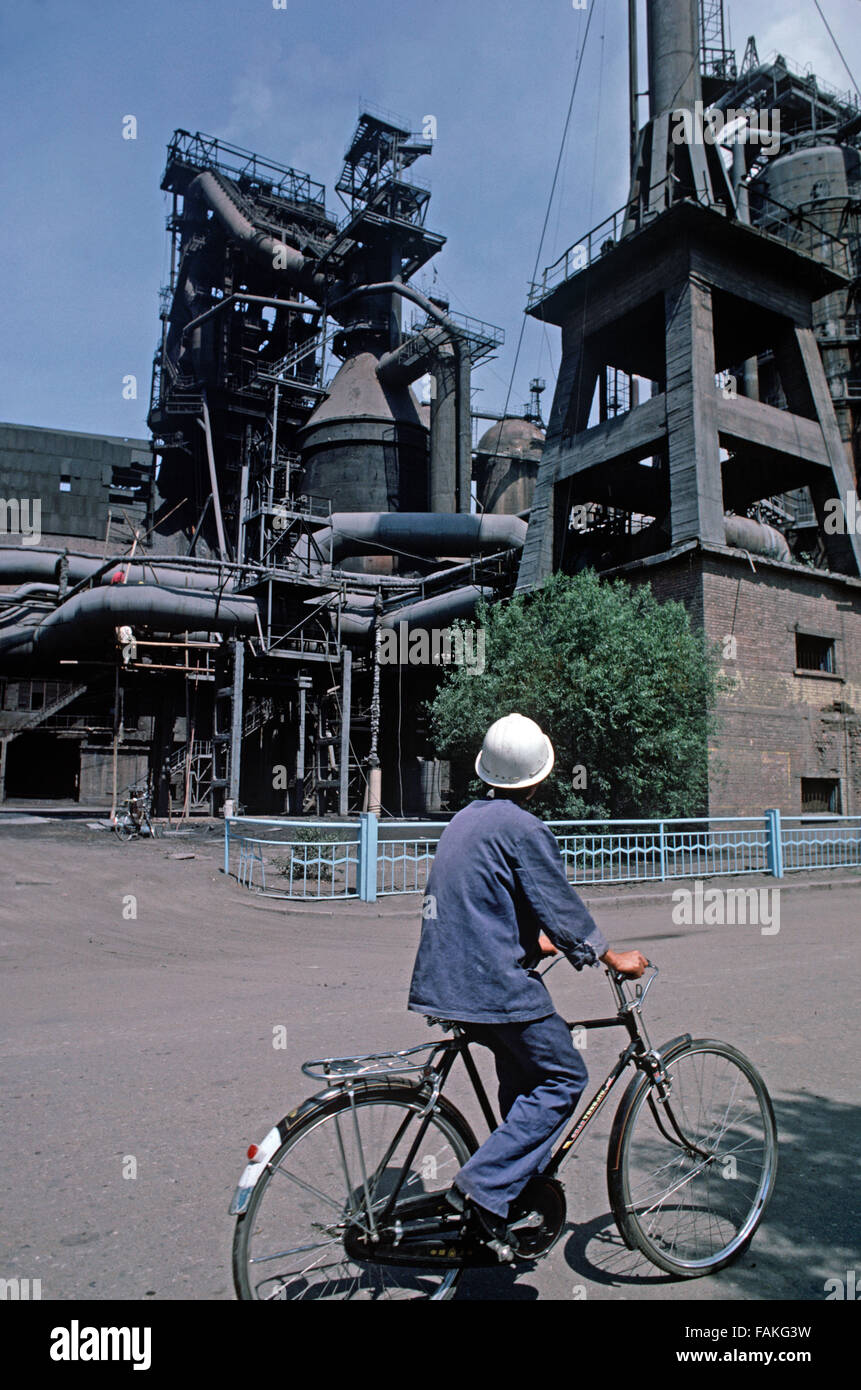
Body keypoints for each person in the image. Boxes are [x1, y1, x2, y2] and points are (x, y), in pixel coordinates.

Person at [408, 712, 648, 1259]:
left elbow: (484, 906)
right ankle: (483, 1190)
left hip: (447, 978)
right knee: (563, 1077)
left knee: (523, 1080)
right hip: (490, 985)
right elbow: (560, 906)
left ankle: (516, 1190)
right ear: (538, 777)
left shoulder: (464, 819)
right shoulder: (523, 827)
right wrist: (610, 955)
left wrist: (542, 944)